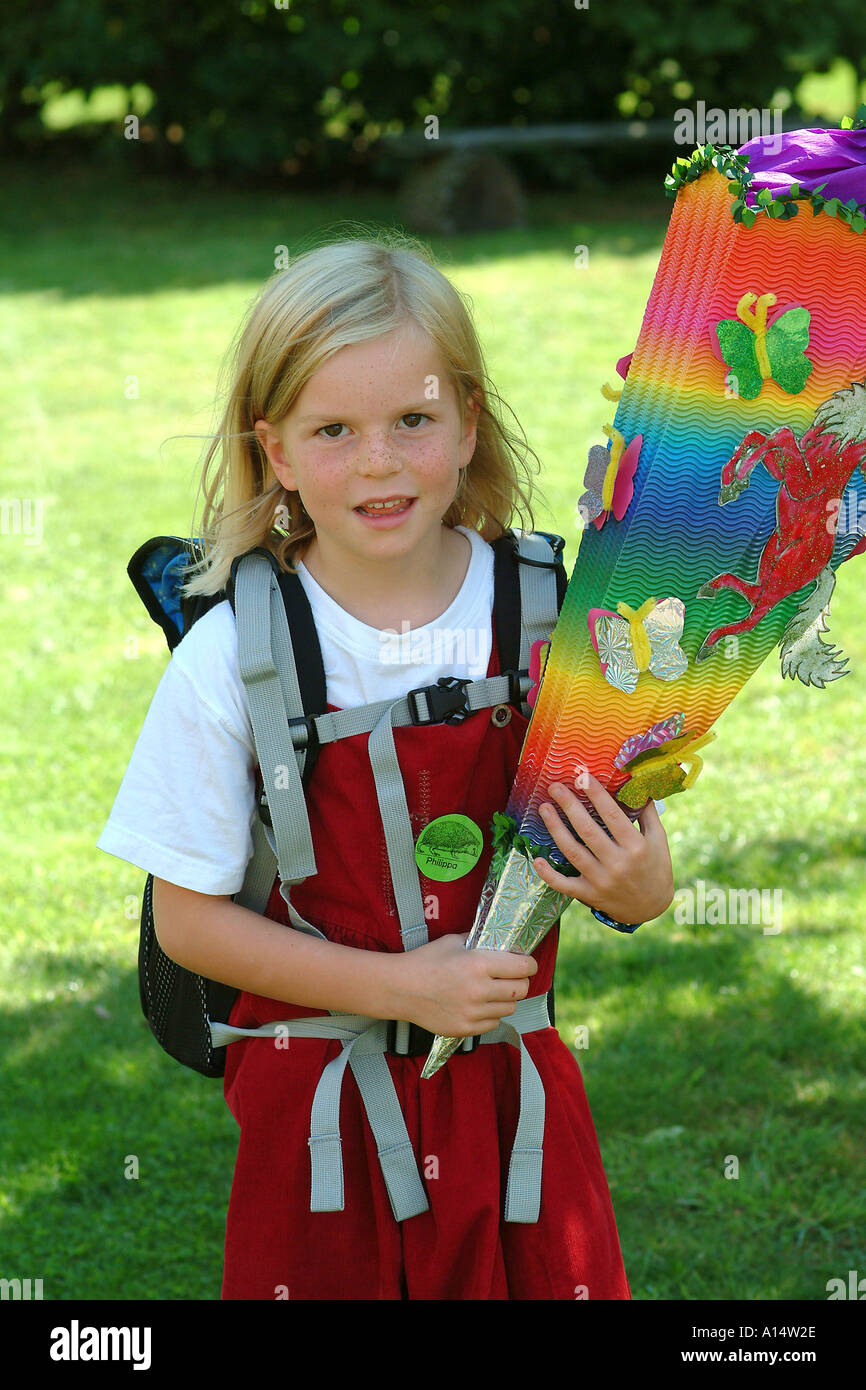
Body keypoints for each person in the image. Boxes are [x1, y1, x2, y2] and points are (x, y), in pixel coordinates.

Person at [97, 234, 674, 1301]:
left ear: (465, 421)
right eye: (332, 430)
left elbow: (617, 830)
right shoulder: (235, 654)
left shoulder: (555, 622)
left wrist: (641, 888)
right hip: (317, 1122)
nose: (378, 460)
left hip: (516, 1105)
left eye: (412, 419)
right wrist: (402, 986)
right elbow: (188, 923)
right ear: (273, 449)